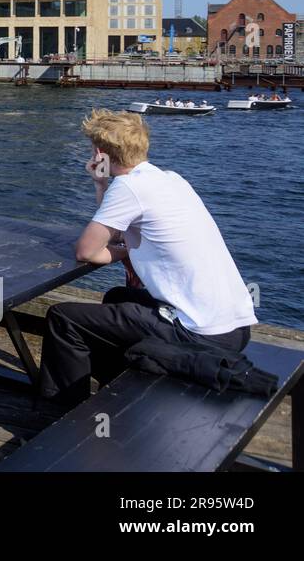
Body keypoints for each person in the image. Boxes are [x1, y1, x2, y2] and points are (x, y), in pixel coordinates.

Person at [37, 110, 258, 407]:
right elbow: (116, 235)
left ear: (100, 153)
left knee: (63, 319)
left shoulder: (129, 188)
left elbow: (87, 251)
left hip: (200, 334)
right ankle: (118, 388)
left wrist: (126, 249)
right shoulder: (170, 179)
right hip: (234, 329)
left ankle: (62, 415)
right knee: (117, 297)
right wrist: (101, 185)